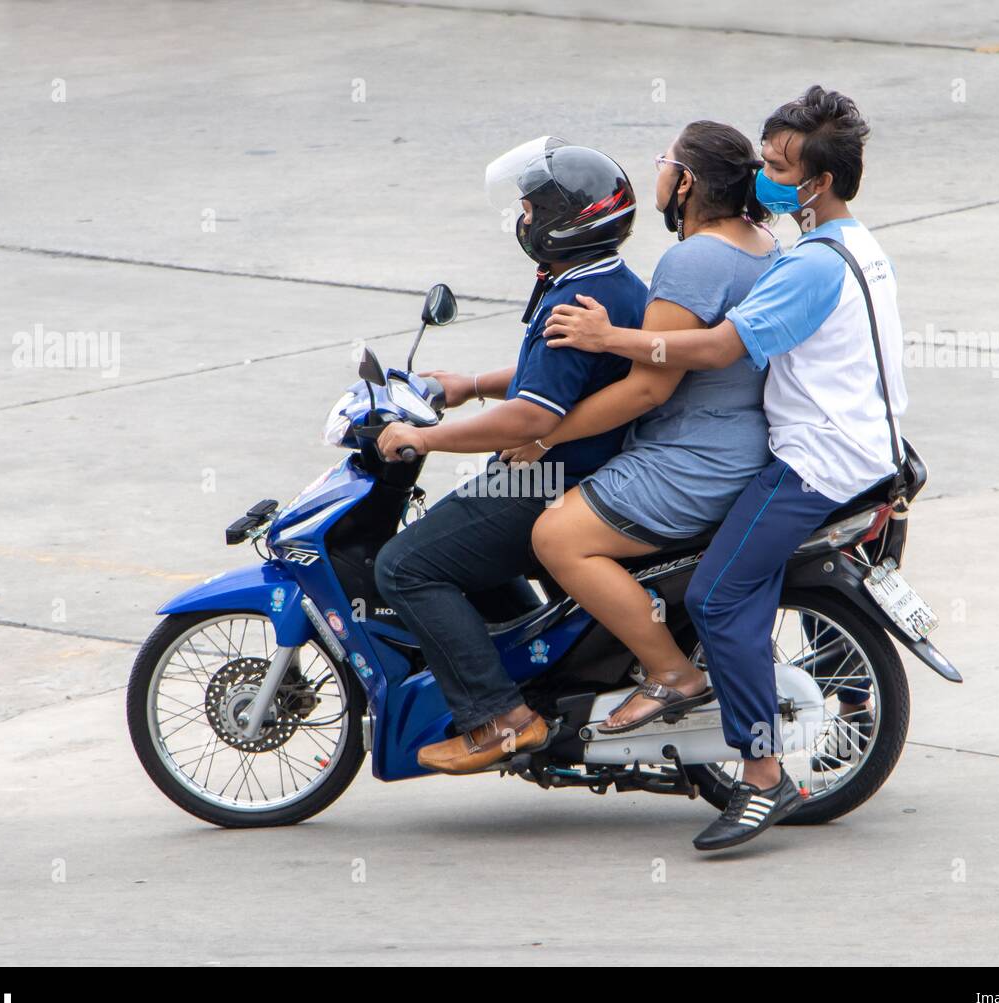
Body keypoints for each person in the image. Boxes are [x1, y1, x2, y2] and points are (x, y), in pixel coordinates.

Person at [543, 87, 907, 852]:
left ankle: (763, 774)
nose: (763, 178)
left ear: (819, 184)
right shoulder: (858, 247)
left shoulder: (812, 266)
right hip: (865, 447)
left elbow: (712, 350)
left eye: (778, 166)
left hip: (816, 463)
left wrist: (609, 338)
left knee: (719, 591)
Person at [373, 138, 648, 775]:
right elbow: (547, 376)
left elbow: (536, 415)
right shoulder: (606, 282)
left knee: (405, 566)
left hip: (551, 478)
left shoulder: (570, 303)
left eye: (530, 211)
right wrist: (469, 385)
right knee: (459, 551)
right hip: (579, 468)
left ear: (562, 223)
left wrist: (428, 437)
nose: (522, 222)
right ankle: (533, 684)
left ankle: (499, 719)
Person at [502, 120, 779, 733]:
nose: (655, 171)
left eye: (664, 161)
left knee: (557, 537)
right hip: (740, 443)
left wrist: (543, 436)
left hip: (692, 456)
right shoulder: (760, 242)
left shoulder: (695, 259)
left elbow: (647, 384)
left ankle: (671, 671)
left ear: (685, 184)